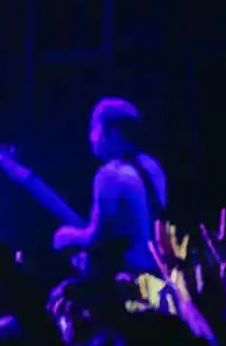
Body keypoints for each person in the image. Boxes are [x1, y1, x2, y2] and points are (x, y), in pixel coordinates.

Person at [53, 98, 166, 277]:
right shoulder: (153, 166)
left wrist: (66, 236)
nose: (91, 137)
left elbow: (95, 238)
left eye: (94, 128)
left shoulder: (109, 174)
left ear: (113, 132)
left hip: (129, 278)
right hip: (158, 275)